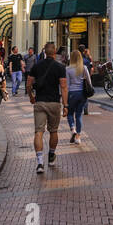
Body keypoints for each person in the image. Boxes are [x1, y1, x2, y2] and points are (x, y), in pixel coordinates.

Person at [27, 43, 68, 174]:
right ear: (55, 52)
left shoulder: (36, 66)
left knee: (38, 132)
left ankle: (40, 162)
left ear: (44, 52)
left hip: (40, 102)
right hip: (54, 103)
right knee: (53, 131)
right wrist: (65, 105)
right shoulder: (60, 67)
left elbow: (29, 84)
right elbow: (63, 87)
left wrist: (31, 96)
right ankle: (51, 155)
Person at [65, 48, 94, 143]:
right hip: (82, 94)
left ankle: (72, 129)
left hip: (72, 94)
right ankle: (78, 136)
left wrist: (65, 97)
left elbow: (67, 85)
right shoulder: (84, 68)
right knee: (78, 115)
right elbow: (89, 82)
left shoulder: (68, 69)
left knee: (69, 113)